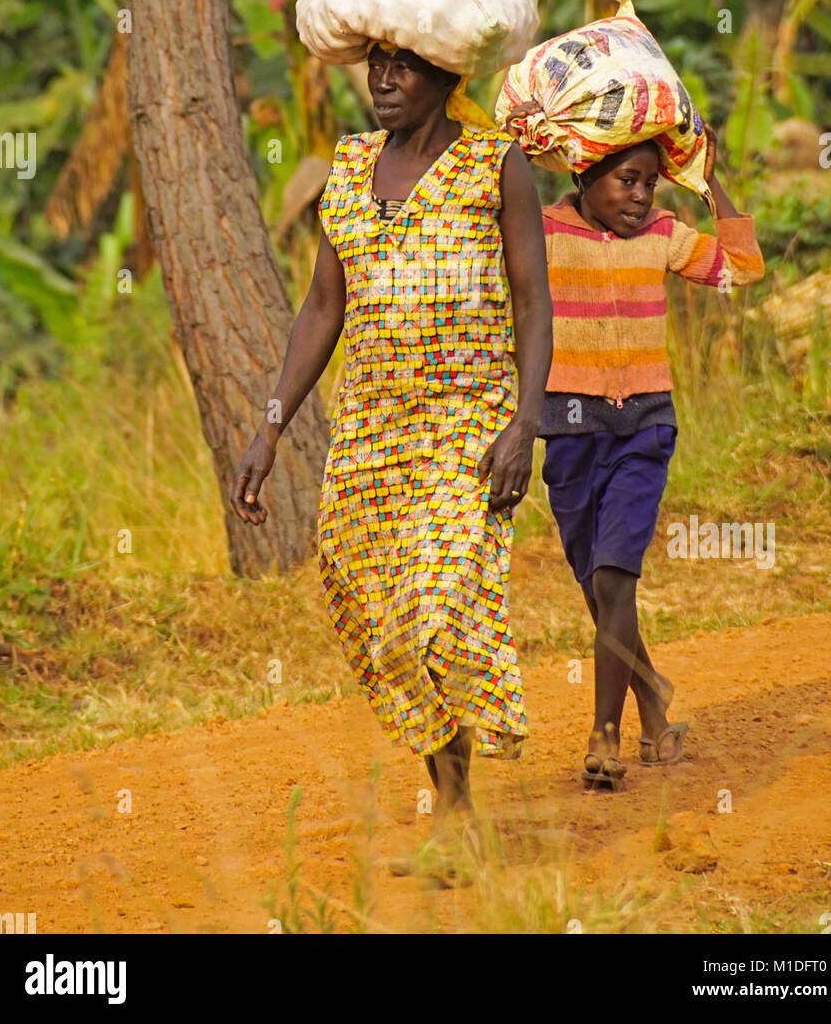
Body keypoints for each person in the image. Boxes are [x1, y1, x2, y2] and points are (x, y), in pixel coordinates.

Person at [231, 42, 552, 869]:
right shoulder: (348, 168)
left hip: (466, 424)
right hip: (370, 431)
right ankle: (454, 812)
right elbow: (321, 307)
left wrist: (526, 422)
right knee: (367, 600)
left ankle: (464, 796)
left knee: (429, 606)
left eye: (403, 68)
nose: (383, 81)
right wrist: (271, 426)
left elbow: (532, 300)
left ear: (447, 77)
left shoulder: (495, 164)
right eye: (375, 64)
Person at [537, 125, 765, 789]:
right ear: (583, 175)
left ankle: (606, 733)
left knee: (614, 578)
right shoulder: (543, 231)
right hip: (569, 428)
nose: (639, 196)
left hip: (644, 427)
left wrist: (707, 179)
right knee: (593, 580)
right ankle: (652, 700)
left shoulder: (664, 233)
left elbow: (740, 270)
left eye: (649, 182)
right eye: (625, 181)